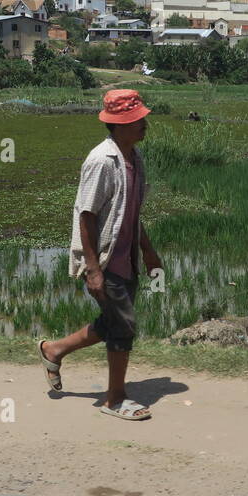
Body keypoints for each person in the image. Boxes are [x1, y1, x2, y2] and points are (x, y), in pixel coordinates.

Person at [38, 89, 162, 421]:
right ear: (119, 125)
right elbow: (86, 216)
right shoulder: (100, 161)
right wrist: (93, 270)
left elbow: (131, 213)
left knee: (113, 323)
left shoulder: (134, 159)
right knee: (123, 327)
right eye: (137, 121)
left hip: (128, 259)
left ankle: (55, 349)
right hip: (105, 261)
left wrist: (148, 251)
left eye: (143, 119)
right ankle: (115, 399)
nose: (144, 125)